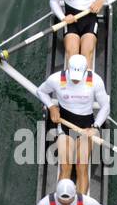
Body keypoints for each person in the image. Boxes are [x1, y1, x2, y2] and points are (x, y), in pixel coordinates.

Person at [37, 53, 109, 196]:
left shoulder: (96, 81)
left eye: (78, 78)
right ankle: (63, 201)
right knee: (66, 167)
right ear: (68, 69)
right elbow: (40, 91)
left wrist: (95, 127)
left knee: (81, 167)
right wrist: (51, 107)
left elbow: (105, 107)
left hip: (86, 127)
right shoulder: (56, 79)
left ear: (86, 70)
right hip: (64, 127)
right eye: (73, 77)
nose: (75, 81)